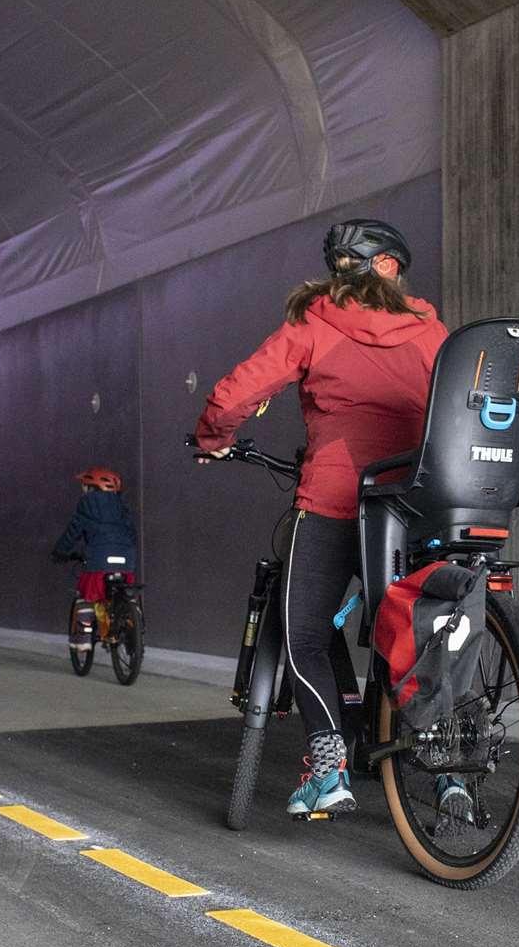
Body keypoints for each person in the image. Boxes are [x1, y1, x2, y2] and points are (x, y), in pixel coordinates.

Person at [192, 218, 448, 819]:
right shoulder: (430, 332)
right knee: (417, 625)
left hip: (335, 500)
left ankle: (329, 766)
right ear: (391, 269)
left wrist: (212, 437)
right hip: (412, 503)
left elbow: (234, 395)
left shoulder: (314, 322)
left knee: (303, 633)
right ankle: (438, 756)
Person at [51, 466, 138, 657]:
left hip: (99, 559)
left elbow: (72, 534)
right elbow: (132, 534)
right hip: (126, 558)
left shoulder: (87, 505)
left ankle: (83, 641)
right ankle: (132, 621)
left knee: (87, 596)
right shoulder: (122, 507)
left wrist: (59, 552)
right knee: (125, 591)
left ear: (92, 488)